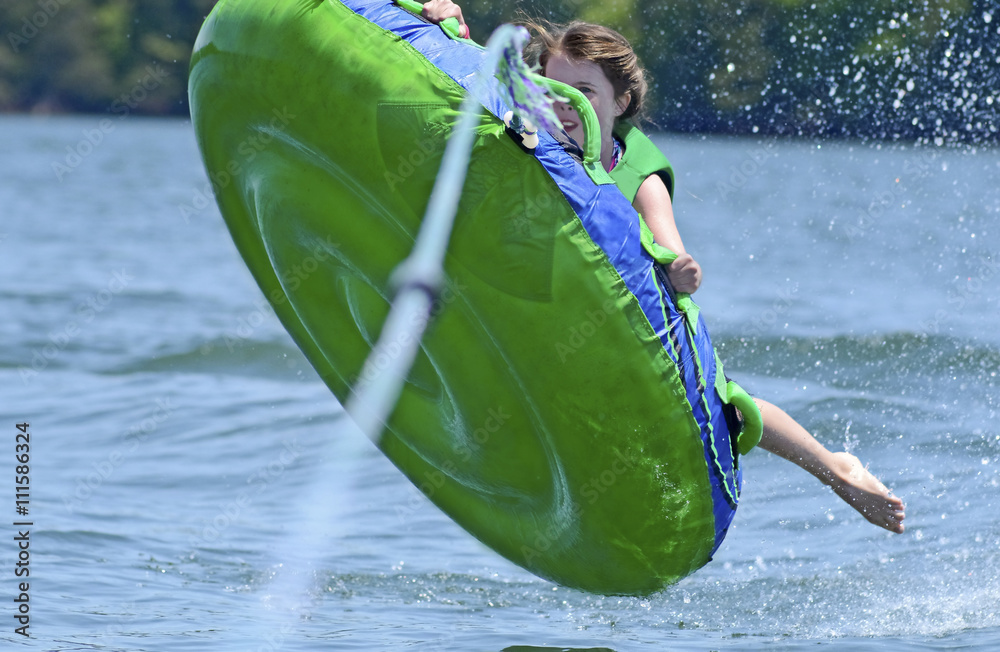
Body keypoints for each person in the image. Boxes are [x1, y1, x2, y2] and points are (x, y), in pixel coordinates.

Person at [421, 0, 906, 534]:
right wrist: (450, 19)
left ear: (620, 102)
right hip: (555, 315)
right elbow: (468, 71)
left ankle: (834, 468)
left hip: (637, 322)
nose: (564, 107)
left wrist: (681, 270)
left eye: (583, 95)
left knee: (730, 410)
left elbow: (673, 251)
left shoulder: (638, 173)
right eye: (554, 90)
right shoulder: (529, 135)